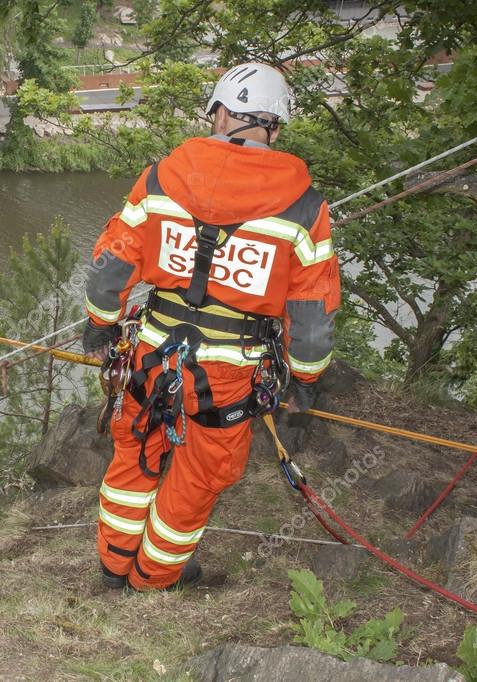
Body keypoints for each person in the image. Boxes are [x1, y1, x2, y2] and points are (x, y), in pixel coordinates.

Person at [83, 63, 341, 591]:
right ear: (274, 126)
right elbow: (311, 316)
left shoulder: (161, 177)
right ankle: (155, 577)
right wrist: (306, 381)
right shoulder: (304, 206)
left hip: (153, 353)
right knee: (199, 476)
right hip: (231, 371)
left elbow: (112, 264)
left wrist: (102, 324)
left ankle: (115, 565)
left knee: (134, 452)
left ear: (220, 113)